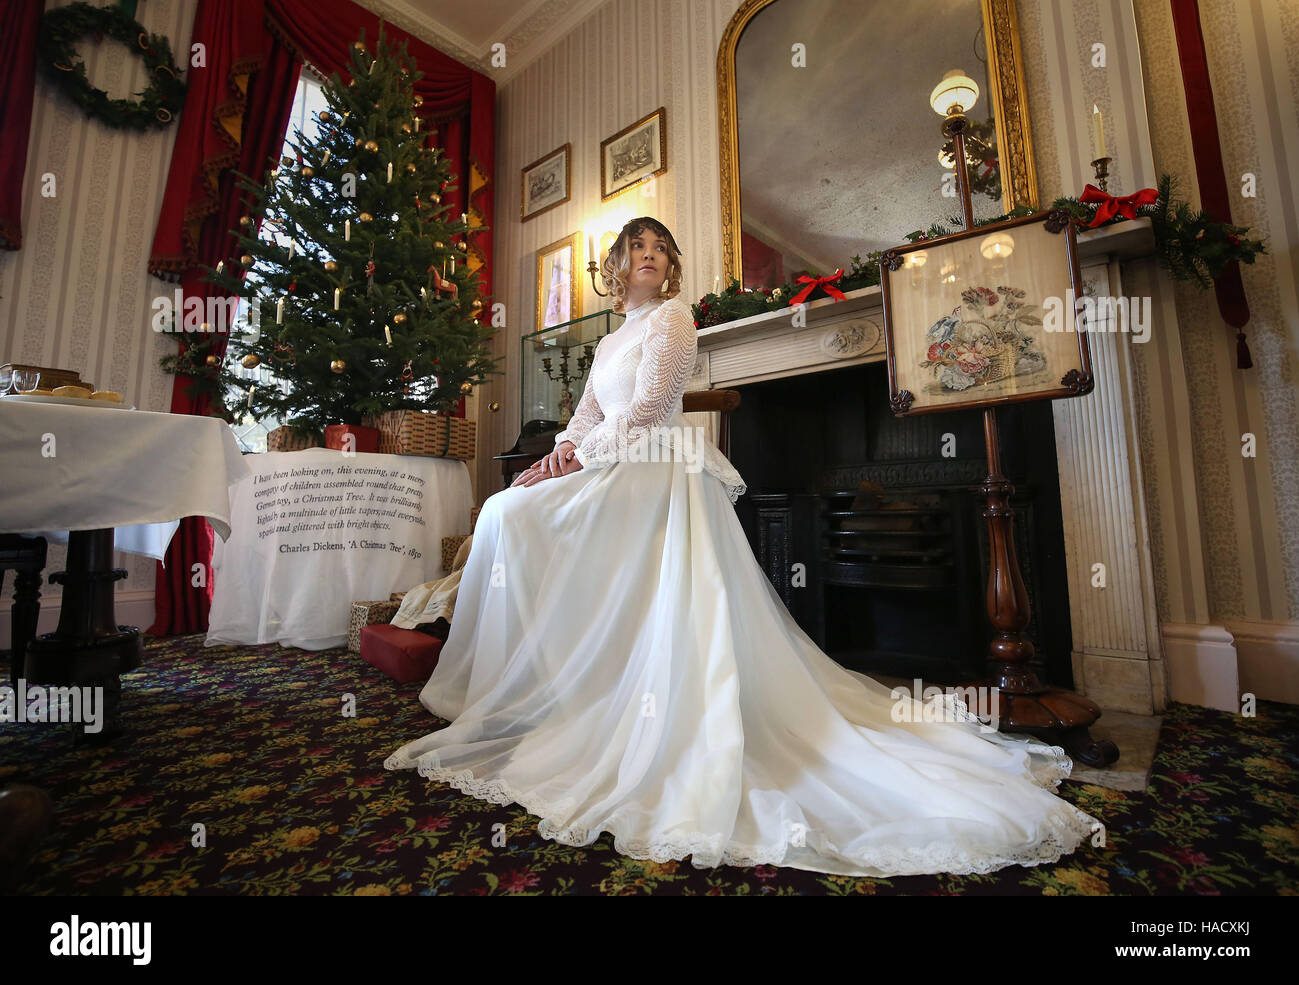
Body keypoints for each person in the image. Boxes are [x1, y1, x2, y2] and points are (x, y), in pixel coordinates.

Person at [384, 217, 1102, 877]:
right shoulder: (607, 341)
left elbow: (652, 411)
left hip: (652, 469)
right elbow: (587, 415)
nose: (653, 258)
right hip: (611, 460)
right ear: (615, 264)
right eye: (640, 248)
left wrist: (578, 459)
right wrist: (558, 453)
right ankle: (553, 679)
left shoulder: (674, 318)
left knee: (520, 515)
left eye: (662, 251)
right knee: (508, 508)